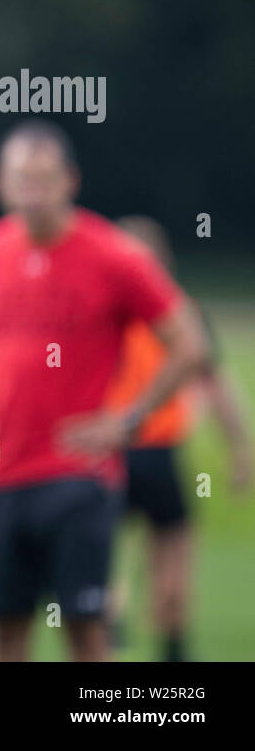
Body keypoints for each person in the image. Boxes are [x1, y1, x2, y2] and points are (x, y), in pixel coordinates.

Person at [0, 120, 210, 661]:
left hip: (78, 476)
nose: (32, 192)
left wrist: (127, 421)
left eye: (44, 179)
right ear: (0, 184)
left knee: (86, 633)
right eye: (21, 179)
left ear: (70, 181)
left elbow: (189, 345)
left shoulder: (116, 256)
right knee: (5, 635)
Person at [104, 215, 251, 661]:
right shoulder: (183, 312)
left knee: (108, 561)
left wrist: (239, 447)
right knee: (169, 562)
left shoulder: (101, 308)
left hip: (115, 450)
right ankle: (168, 648)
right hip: (144, 451)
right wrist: (238, 447)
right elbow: (217, 385)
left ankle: (116, 634)